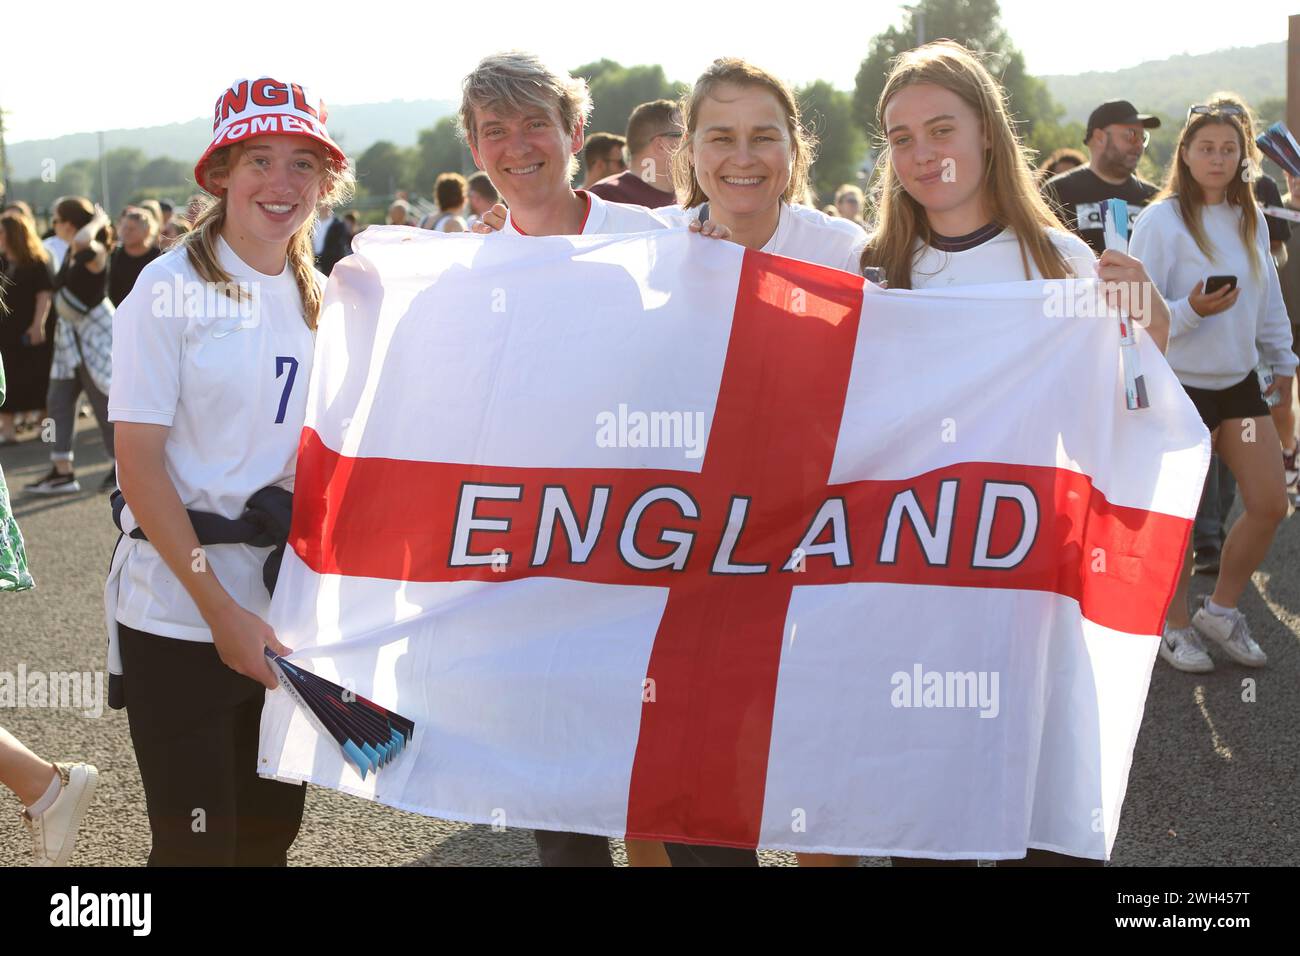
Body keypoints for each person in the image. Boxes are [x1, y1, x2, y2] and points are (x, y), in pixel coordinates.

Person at [861, 41, 1169, 866]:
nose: (923, 154)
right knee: (927, 823)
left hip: (1032, 577)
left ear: (987, 132)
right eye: (900, 138)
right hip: (911, 579)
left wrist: (1149, 320)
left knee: (1038, 806)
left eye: (941, 128)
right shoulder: (876, 271)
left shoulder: (1061, 260)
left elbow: (1134, 397)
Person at [459, 50, 731, 867]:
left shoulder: (669, 241)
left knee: (694, 814)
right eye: (495, 130)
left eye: (536, 123)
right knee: (567, 826)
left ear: (575, 132)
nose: (518, 145)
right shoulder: (465, 278)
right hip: (538, 576)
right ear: (474, 149)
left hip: (664, 563)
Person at [107, 75, 354, 865]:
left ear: (325, 180)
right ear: (219, 175)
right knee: (195, 850)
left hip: (282, 613)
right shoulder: (167, 289)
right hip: (181, 616)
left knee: (267, 839)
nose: (281, 184)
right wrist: (220, 614)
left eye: (301, 163)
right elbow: (139, 468)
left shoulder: (321, 293)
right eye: (258, 159)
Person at [1130, 102, 1294, 675]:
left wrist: (1286, 374)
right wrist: (1193, 310)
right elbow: (1134, 313)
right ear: (1186, 154)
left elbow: (1269, 305)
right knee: (1176, 516)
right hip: (1179, 389)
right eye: (1207, 148)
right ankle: (1173, 626)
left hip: (1239, 388)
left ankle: (1220, 610)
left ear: (1245, 158)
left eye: (1230, 149)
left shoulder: (1252, 218)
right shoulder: (1160, 222)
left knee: (1271, 503)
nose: (1218, 158)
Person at [25, 197, 116, 495]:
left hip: (95, 338)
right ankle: (62, 470)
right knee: (58, 403)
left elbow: (81, 240)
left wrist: (98, 220)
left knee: (105, 404)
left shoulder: (95, 250)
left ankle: (122, 468)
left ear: (71, 224)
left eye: (55, 220)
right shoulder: (70, 253)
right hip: (69, 342)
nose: (52, 226)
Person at [1043, 100, 1162, 254]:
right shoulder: (1057, 192)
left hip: (1141, 280)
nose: (1139, 145)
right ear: (1099, 137)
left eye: (1143, 137)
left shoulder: (1155, 199)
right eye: (1131, 135)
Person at [0, 212, 54, 445]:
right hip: (6, 331)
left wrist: (37, 325)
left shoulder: (36, 261)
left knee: (37, 377)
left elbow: (44, 295)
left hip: (29, 328)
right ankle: (8, 429)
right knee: (8, 376)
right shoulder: (2, 261)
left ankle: (44, 429)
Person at [588, 99, 682, 208]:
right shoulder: (605, 199)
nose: (691, 143)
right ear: (660, 145)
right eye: (684, 134)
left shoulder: (690, 200)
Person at [108, 208, 161, 308]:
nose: (126, 232)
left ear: (147, 231)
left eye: (132, 229)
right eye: (124, 228)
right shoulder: (113, 254)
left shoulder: (158, 257)